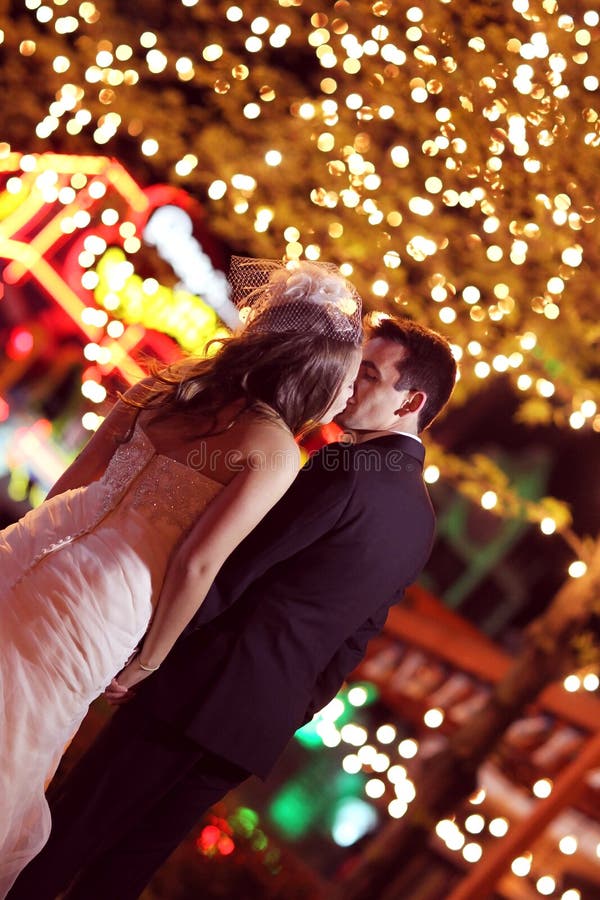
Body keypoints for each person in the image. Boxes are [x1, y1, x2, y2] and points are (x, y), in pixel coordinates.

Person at [8, 313, 457, 900]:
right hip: (254, 727)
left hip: (197, 688)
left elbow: (239, 565)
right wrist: (287, 709)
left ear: (411, 401)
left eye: (369, 375)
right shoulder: (421, 521)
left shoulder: (344, 469)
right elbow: (357, 638)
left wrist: (154, 648)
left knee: (74, 827)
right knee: (128, 865)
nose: (351, 386)